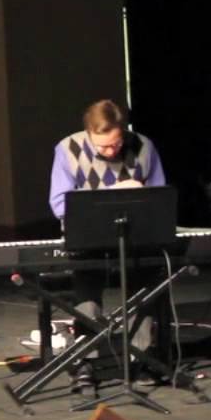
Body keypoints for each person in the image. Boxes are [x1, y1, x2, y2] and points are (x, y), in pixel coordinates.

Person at [48, 99, 166, 390]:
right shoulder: (68, 150)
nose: (111, 152)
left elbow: (160, 196)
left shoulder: (143, 147)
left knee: (147, 278)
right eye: (103, 147)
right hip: (88, 239)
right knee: (86, 286)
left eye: (116, 144)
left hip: (134, 236)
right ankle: (84, 362)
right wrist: (110, 195)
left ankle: (141, 358)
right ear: (88, 134)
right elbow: (60, 203)